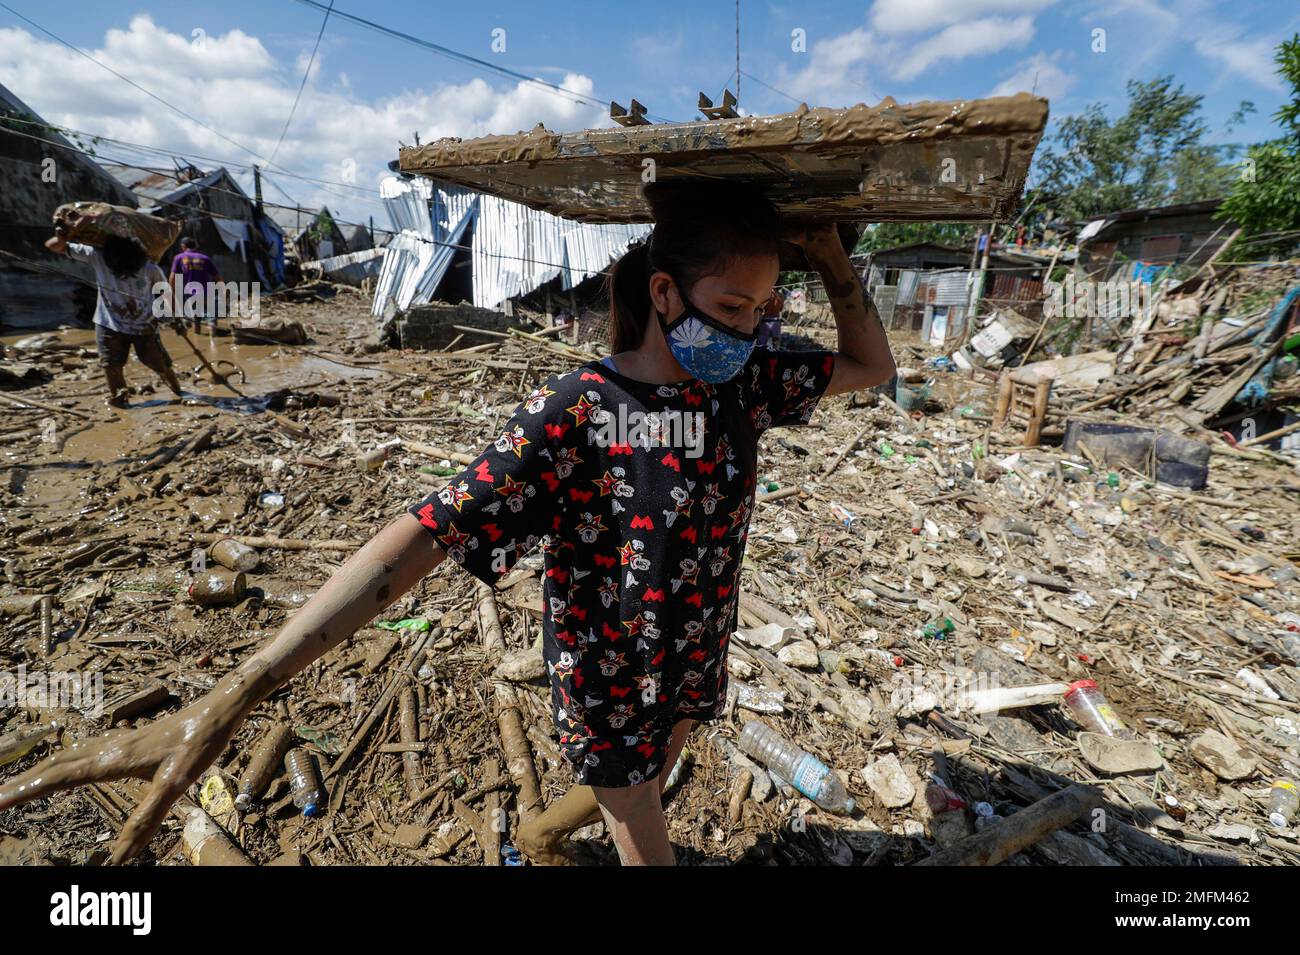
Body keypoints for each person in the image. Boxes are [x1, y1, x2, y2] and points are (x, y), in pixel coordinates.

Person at [4, 182, 895, 866]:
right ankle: (602, 815)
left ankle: (546, 833)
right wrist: (247, 683)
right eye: (732, 308)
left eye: (764, 310)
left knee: (652, 771)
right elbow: (421, 535)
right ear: (665, 293)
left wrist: (832, 261)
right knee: (637, 811)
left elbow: (872, 364)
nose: (750, 328)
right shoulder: (578, 410)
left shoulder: (746, 379)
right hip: (611, 669)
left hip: (698, 644)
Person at [46, 230, 182, 409]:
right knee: (111, 364)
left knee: (158, 364)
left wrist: (175, 319)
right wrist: (62, 237)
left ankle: (178, 391)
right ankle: (120, 401)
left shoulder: (150, 268)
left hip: (145, 326)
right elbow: (54, 246)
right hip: (108, 324)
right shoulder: (98, 257)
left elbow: (166, 295)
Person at [169, 236, 223, 333]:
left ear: (183, 246)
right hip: (207, 292)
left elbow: (172, 278)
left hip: (191, 294)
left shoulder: (179, 258)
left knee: (196, 320)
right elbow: (217, 277)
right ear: (195, 247)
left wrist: (171, 292)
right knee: (211, 319)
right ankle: (213, 340)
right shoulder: (205, 258)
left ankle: (197, 336)